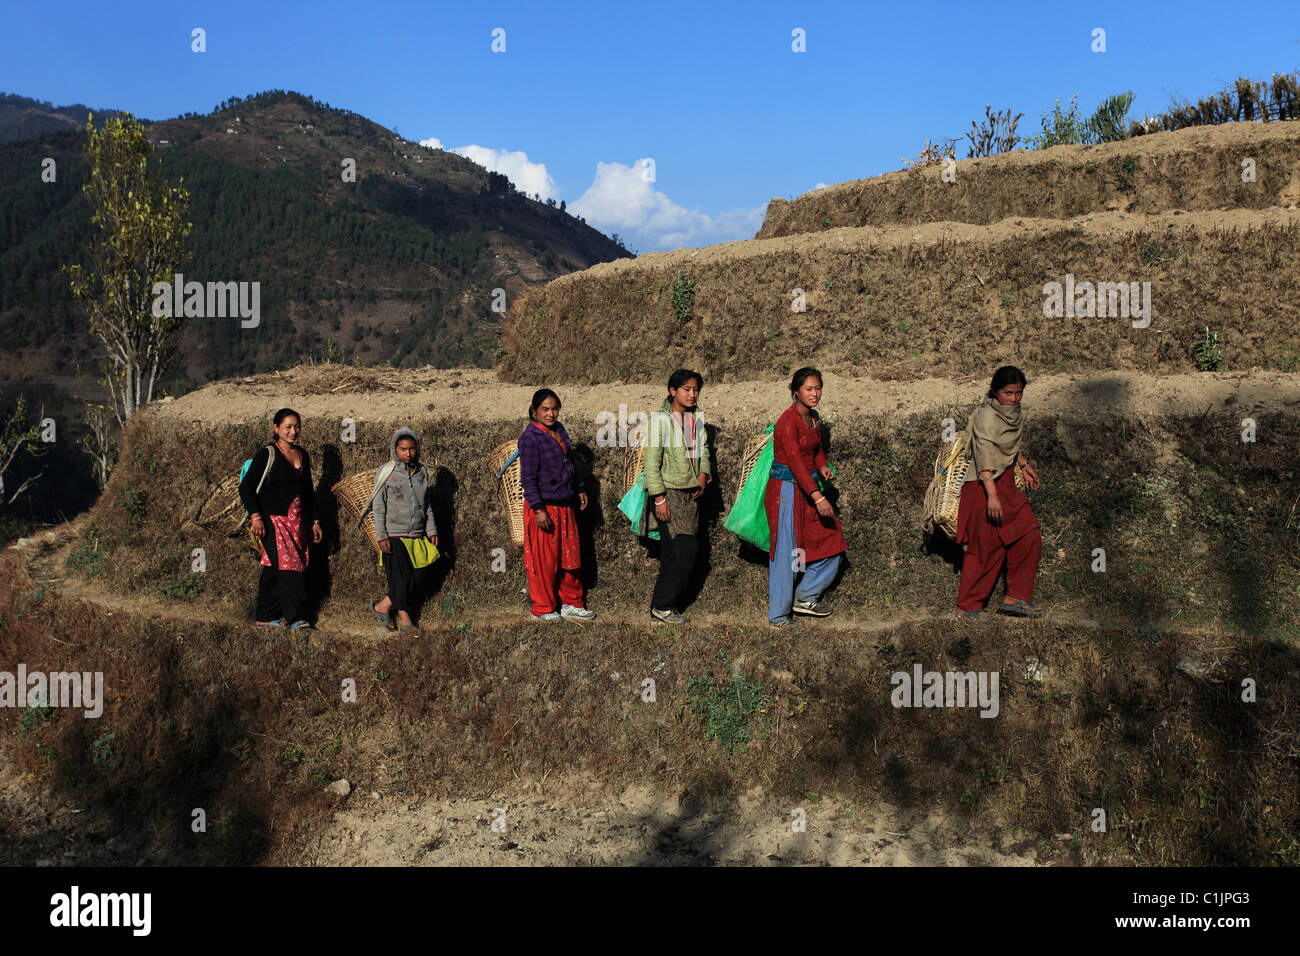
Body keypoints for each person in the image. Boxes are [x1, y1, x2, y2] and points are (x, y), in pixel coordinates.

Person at [955, 366, 1043, 618]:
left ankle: (1015, 598)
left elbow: (1008, 447)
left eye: (1018, 392)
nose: (1014, 398)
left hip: (1005, 483)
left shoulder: (1012, 414)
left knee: (1028, 534)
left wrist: (1023, 464)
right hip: (983, 485)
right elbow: (984, 453)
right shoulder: (986, 416)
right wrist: (992, 495)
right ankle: (967, 607)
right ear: (995, 391)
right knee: (986, 546)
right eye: (1008, 393)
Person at [765, 368, 846, 626]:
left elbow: (815, 450)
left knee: (832, 540)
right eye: (809, 389)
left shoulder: (813, 418)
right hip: (786, 492)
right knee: (787, 551)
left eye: (818, 388)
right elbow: (796, 464)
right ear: (796, 391)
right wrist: (819, 498)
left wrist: (822, 465)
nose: (815, 393)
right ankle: (778, 614)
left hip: (807, 489)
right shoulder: (787, 422)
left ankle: (805, 595)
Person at [239, 408, 322, 629]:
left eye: (296, 427)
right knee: (289, 569)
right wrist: (256, 516)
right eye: (288, 427)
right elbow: (246, 487)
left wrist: (314, 521)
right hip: (273, 521)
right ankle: (296, 618)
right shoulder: (267, 454)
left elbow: (307, 491)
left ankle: (265, 617)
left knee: (273, 569)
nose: (293, 431)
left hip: (297, 522)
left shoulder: (303, 455)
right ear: (276, 428)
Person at [518, 389, 595, 621]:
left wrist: (579, 487)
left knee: (569, 558)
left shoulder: (559, 430)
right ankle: (543, 608)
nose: (551, 414)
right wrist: (538, 510)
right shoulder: (530, 438)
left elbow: (569, 463)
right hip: (544, 507)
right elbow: (528, 478)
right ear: (534, 411)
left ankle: (571, 602)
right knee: (545, 561)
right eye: (545, 409)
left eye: (554, 409)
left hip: (565, 505)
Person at [642, 369, 712, 624]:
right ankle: (662, 606)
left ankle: (664, 606)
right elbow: (651, 463)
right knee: (681, 550)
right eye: (687, 389)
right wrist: (659, 499)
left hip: (689, 495)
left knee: (683, 549)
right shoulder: (660, 421)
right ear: (673, 391)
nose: (692, 394)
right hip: (669, 492)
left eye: (696, 390)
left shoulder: (696, 419)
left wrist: (703, 474)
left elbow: (703, 450)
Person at [370, 427, 438, 633]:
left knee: (418, 577)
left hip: (416, 534)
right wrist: (381, 535)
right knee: (401, 578)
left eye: (412, 449)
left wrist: (431, 529)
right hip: (394, 534)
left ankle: (382, 606)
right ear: (394, 449)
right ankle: (405, 618)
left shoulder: (421, 473)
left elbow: (426, 505)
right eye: (402, 449)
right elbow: (378, 506)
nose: (408, 453)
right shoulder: (386, 472)